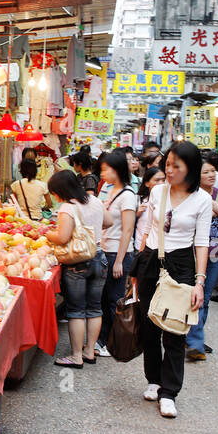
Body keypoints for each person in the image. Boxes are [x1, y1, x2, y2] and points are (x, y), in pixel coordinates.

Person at [135, 141, 213, 419]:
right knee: (149, 325)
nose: (169, 170)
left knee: (175, 331)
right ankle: (153, 381)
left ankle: (169, 392)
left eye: (175, 166)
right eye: (167, 164)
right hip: (151, 260)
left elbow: (202, 243)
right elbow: (147, 228)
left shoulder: (203, 199)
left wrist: (200, 282)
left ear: (190, 169)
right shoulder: (157, 191)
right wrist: (139, 263)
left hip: (181, 265)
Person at [45, 169, 106, 368]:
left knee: (77, 310)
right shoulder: (94, 200)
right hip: (99, 257)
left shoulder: (67, 208)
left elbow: (62, 237)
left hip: (78, 262)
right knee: (95, 308)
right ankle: (90, 351)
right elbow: (110, 221)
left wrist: (47, 233)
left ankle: (76, 356)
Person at [186, 154, 218, 361]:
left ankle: (194, 338)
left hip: (216, 249)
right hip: (192, 249)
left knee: (206, 297)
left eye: (213, 171)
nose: (211, 175)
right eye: (205, 172)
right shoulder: (190, 194)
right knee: (191, 294)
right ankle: (193, 339)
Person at [95, 151, 139, 358]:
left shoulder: (128, 194)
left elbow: (127, 230)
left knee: (114, 299)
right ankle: (102, 340)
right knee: (105, 299)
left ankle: (114, 344)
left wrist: (120, 261)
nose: (103, 172)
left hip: (117, 253)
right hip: (105, 249)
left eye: (107, 169)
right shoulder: (108, 190)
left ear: (118, 170)